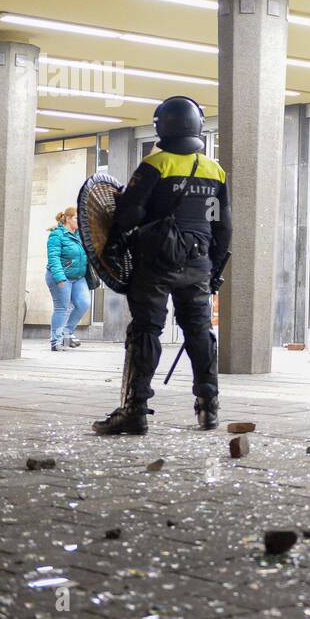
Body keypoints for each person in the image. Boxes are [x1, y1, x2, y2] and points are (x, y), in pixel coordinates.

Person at [93, 95, 231, 436]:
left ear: (162, 127)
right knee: (199, 332)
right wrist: (215, 270)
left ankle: (135, 410)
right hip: (198, 263)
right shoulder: (214, 170)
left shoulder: (156, 165)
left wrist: (115, 243)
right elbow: (220, 223)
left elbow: (129, 214)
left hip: (155, 263)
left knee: (146, 331)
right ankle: (208, 407)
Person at [46, 206, 90, 351]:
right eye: (78, 218)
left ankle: (67, 332)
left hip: (78, 277)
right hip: (60, 276)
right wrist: (59, 278)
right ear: (68, 218)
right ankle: (55, 341)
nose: (81, 221)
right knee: (61, 308)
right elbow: (53, 258)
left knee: (84, 303)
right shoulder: (57, 235)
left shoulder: (79, 235)